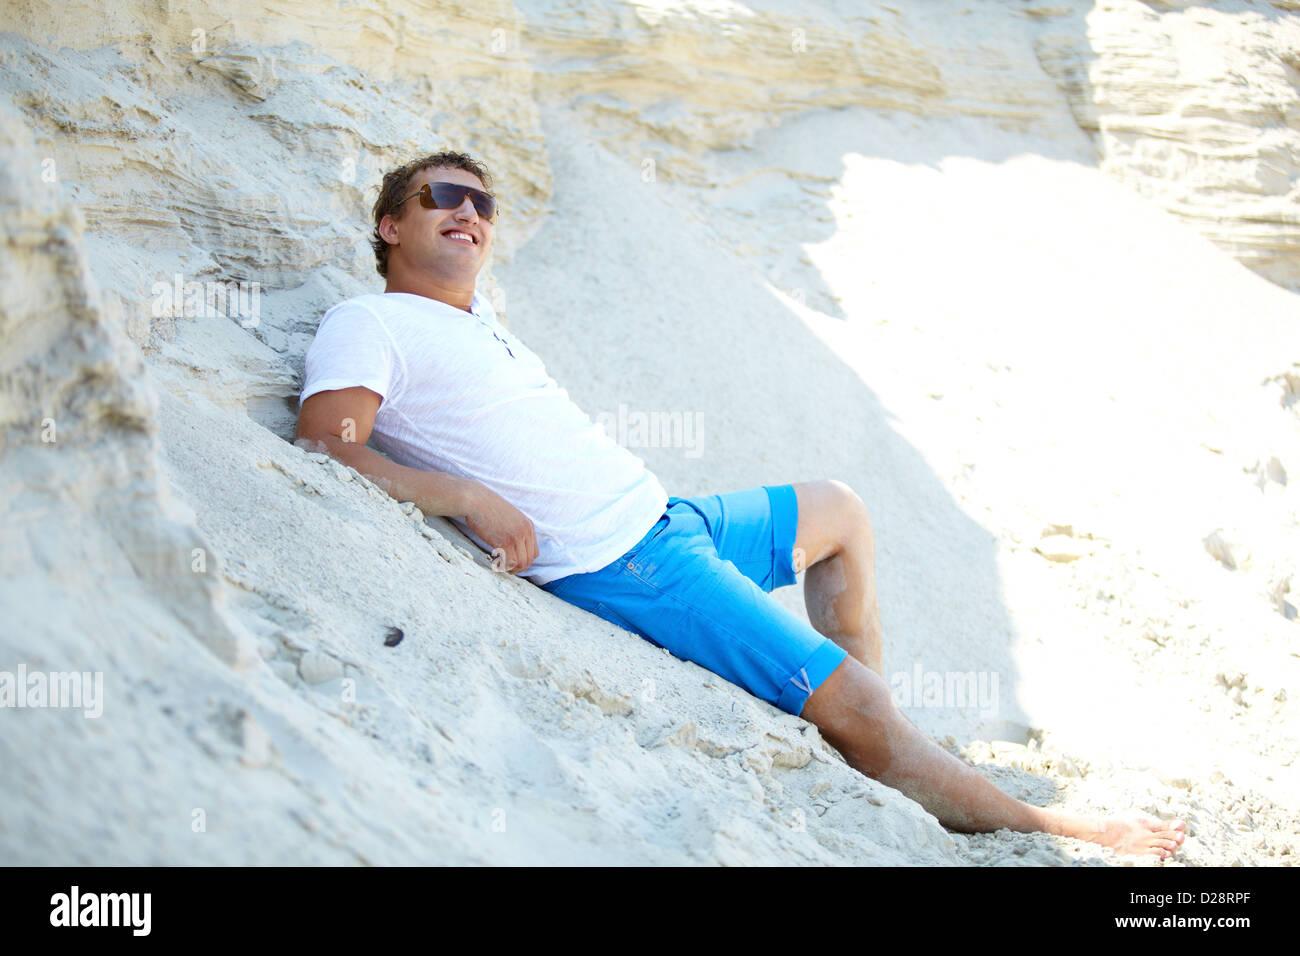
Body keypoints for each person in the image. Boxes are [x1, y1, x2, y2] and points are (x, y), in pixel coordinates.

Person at [295, 151, 1186, 860]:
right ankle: (1037, 819)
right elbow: (327, 441)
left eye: (484, 205)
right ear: (389, 224)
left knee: (839, 511)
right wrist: (461, 494)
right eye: (443, 197)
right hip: (625, 562)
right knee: (862, 704)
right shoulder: (369, 323)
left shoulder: (480, 320)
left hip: (669, 516)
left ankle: (872, 727)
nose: (469, 214)